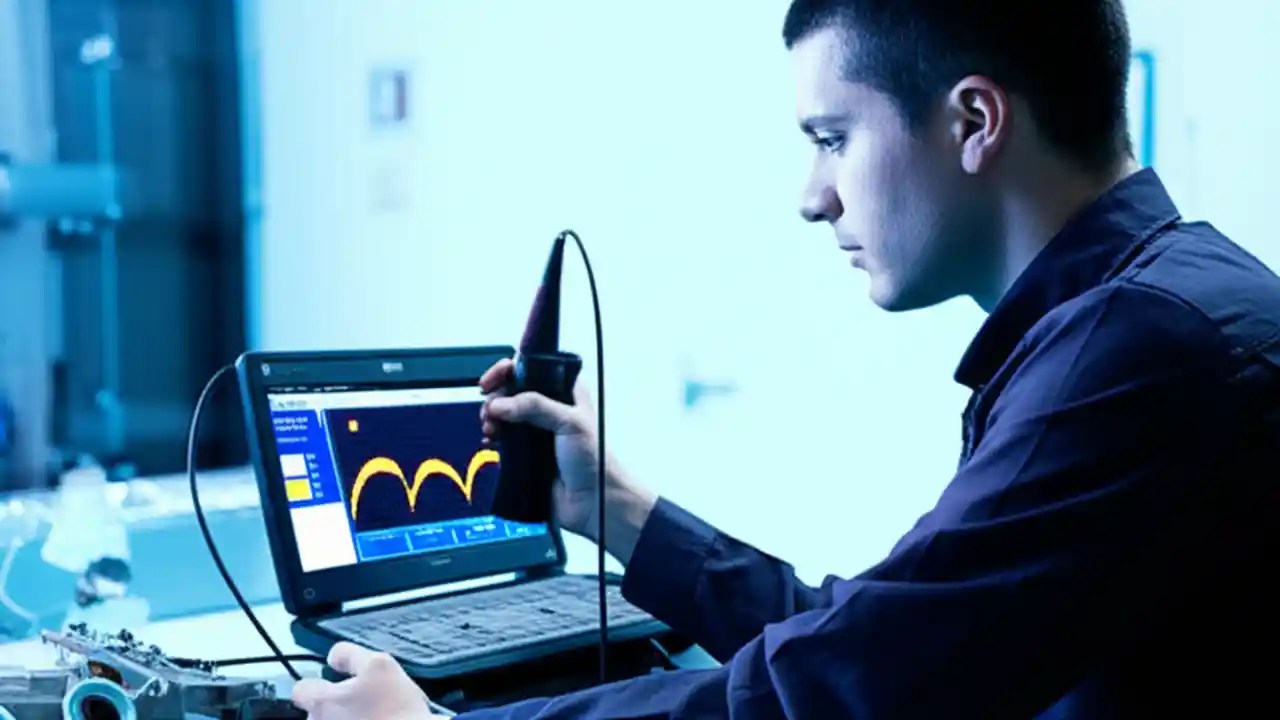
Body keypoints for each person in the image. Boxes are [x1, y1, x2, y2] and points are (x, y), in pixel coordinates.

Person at [291, 0, 1280, 717]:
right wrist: (616, 513)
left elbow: (846, 693)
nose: (813, 197)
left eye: (831, 138)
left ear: (973, 122)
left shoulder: (1140, 353)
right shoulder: (1162, 308)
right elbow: (896, 646)